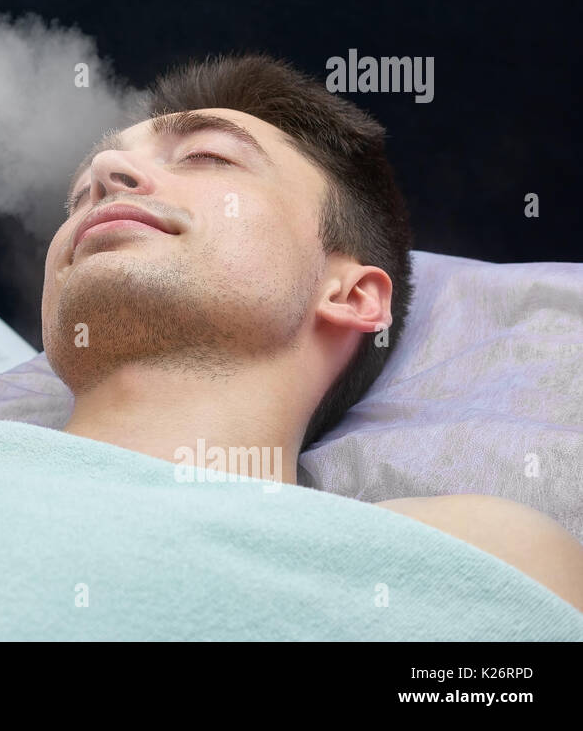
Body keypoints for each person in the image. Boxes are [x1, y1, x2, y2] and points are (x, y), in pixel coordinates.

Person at [41, 53, 583, 612]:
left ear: (351, 296)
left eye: (206, 155)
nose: (106, 171)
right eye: (80, 194)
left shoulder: (469, 563)